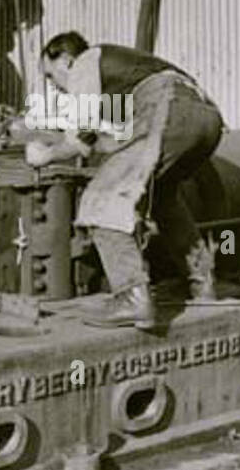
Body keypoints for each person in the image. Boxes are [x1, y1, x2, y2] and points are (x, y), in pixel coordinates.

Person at [25, 32, 223, 328]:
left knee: (101, 200)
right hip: (207, 120)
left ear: (66, 60)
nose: (56, 89)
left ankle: (132, 298)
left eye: (52, 77)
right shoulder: (128, 76)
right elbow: (111, 142)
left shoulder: (86, 61)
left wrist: (45, 155)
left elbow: (80, 134)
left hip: (168, 112)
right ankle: (203, 285)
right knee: (164, 199)